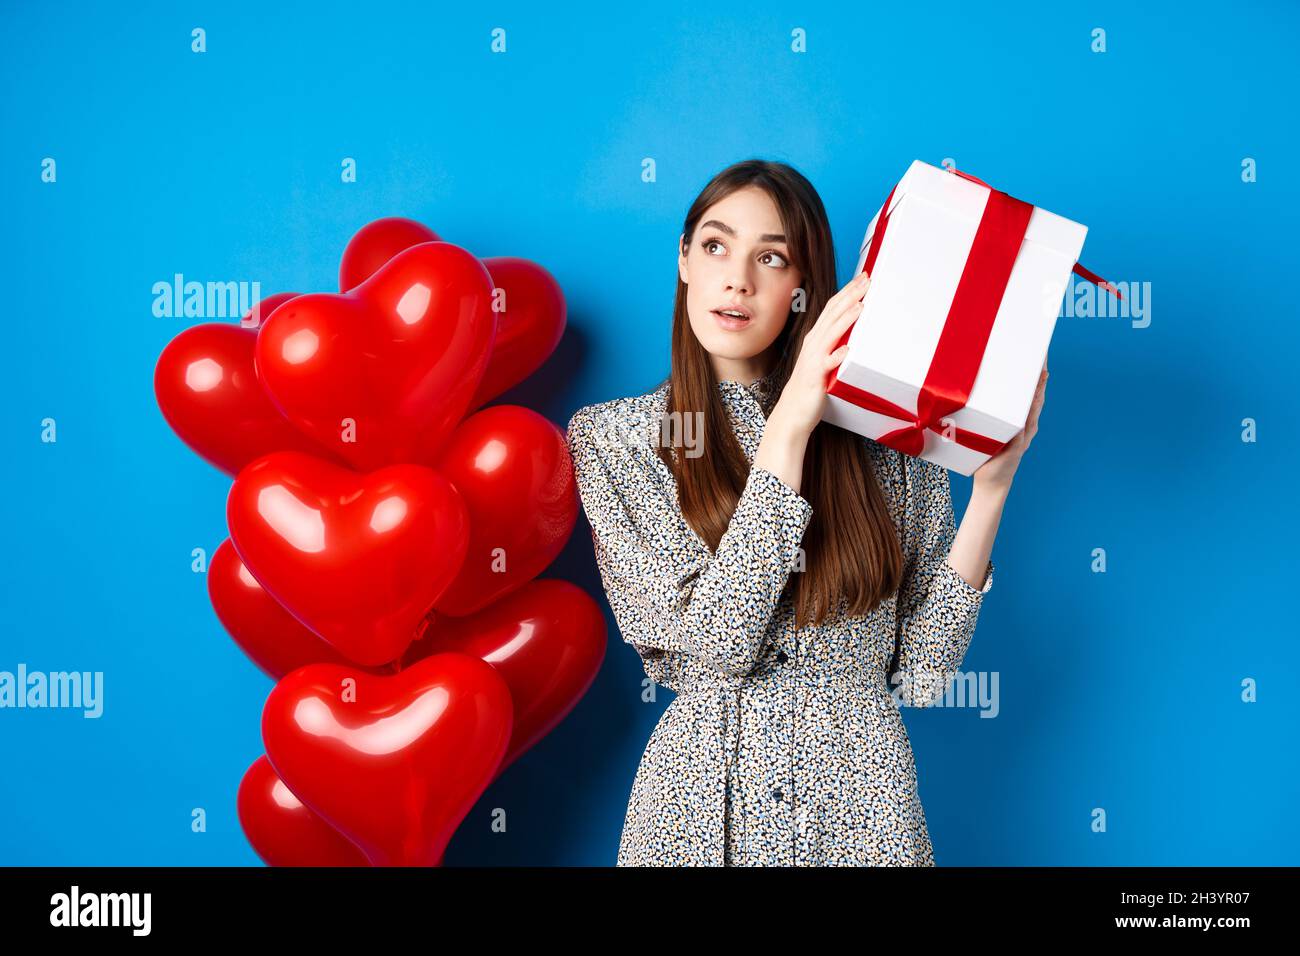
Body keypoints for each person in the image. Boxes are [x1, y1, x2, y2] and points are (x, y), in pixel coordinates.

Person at [565, 158, 1045, 866]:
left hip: (860, 805)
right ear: (684, 259)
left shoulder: (887, 445)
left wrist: (994, 490)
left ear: (805, 289)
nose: (738, 280)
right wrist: (790, 425)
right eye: (716, 246)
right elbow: (719, 641)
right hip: (702, 811)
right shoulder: (618, 439)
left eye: (772, 257)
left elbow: (923, 675)